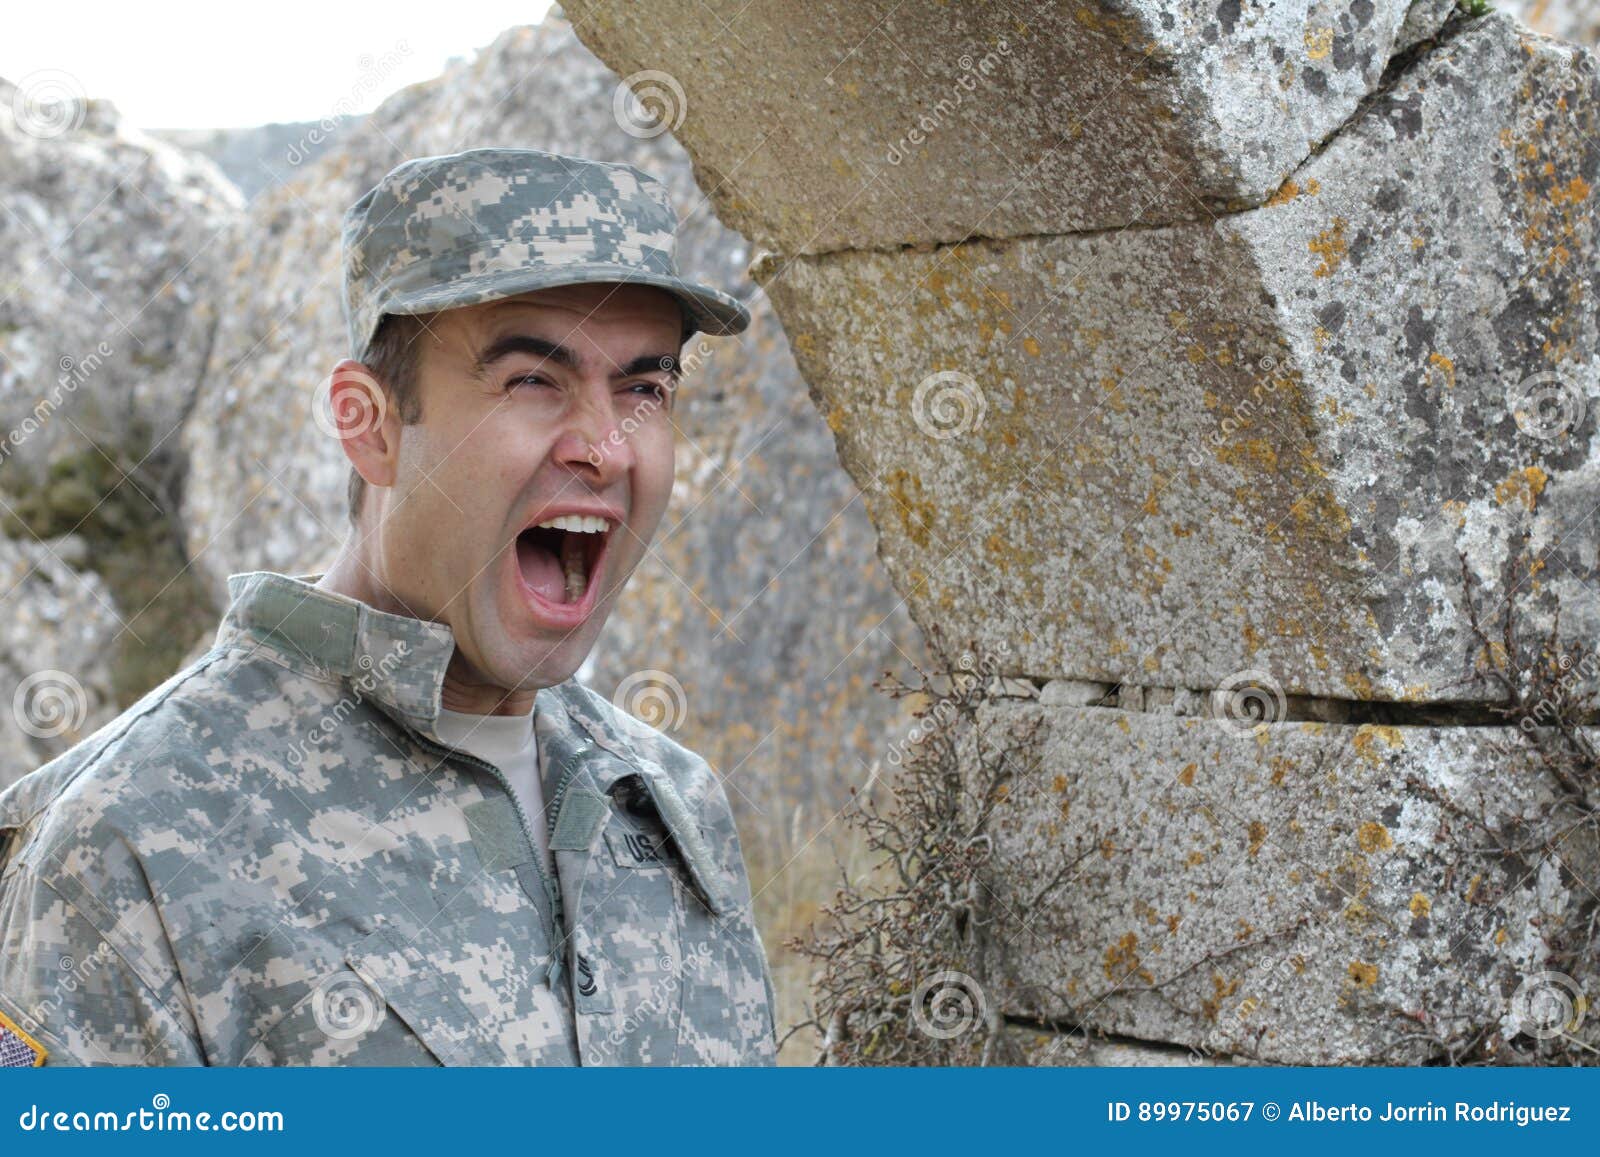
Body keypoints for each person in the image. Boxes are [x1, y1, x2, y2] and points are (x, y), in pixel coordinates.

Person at [0, 146, 777, 1066]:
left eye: (644, 388)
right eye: (533, 380)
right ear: (367, 424)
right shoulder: (128, 836)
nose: (605, 448)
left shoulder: (669, 802)